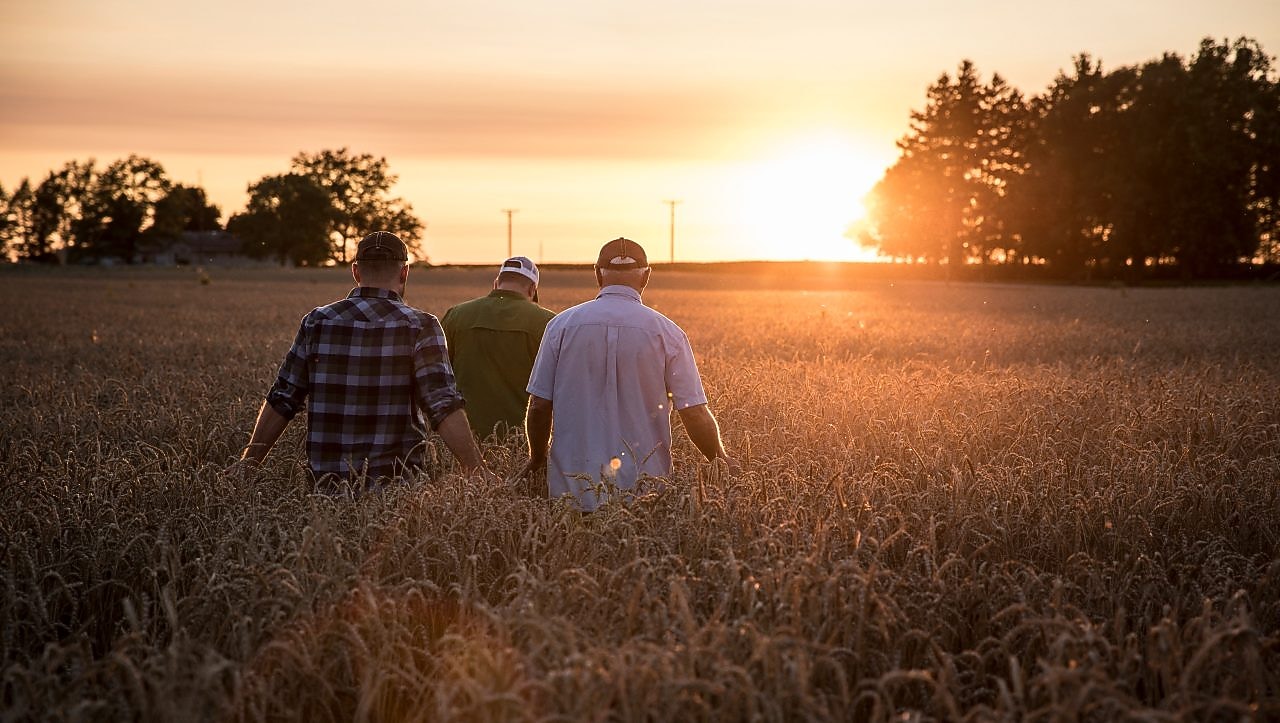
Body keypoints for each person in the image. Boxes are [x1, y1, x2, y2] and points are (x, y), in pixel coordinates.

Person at [237, 231, 492, 491]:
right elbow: (442, 404)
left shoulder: (317, 322)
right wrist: (475, 468)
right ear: (404, 273)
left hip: (326, 493)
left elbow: (282, 399)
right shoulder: (421, 326)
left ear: (356, 272)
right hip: (397, 495)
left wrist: (247, 466)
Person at [521, 237, 733, 511]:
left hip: (572, 492)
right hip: (646, 492)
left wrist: (537, 459)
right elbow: (693, 413)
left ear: (597, 273)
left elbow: (539, 405)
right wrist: (721, 460)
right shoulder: (668, 333)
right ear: (646, 277)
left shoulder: (560, 327)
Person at [441, 256, 555, 442]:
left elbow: (439, 381)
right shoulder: (550, 323)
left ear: (496, 284)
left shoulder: (456, 316)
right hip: (523, 442)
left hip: (462, 442)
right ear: (532, 289)